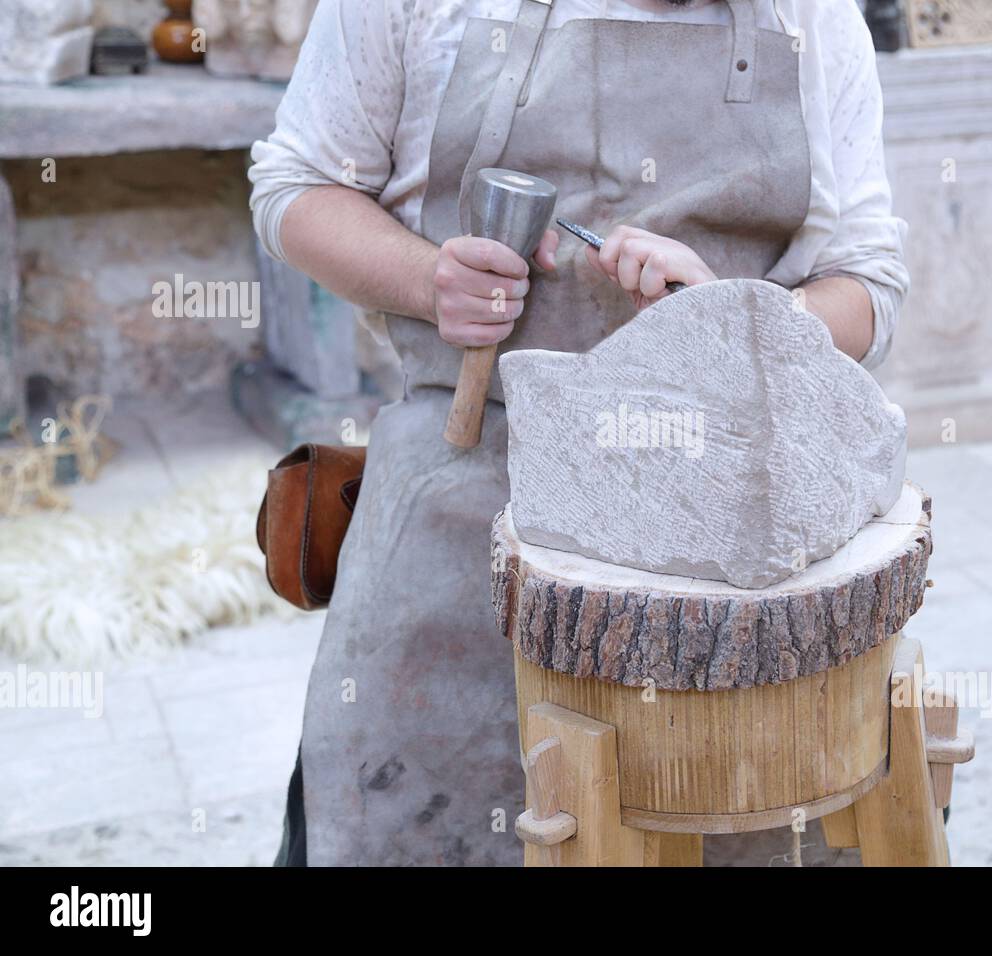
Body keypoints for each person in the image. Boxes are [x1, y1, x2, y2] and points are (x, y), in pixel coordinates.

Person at [249, 0, 908, 866]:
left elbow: (869, 282)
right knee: (407, 820)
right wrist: (428, 280)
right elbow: (295, 187)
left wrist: (745, 322)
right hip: (470, 489)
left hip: (727, 539)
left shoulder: (810, 18)